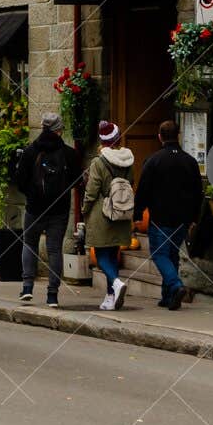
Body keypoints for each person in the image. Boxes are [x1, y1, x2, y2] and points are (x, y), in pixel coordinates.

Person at [134, 119, 203, 311]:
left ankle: (175, 285)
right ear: (178, 135)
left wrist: (138, 212)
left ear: (159, 137)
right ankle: (168, 297)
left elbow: (143, 189)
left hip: (160, 217)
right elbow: (198, 192)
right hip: (183, 218)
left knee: (159, 253)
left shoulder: (153, 160)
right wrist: (195, 217)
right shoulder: (190, 161)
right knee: (172, 255)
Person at [13, 113, 80, 308]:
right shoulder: (69, 153)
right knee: (54, 250)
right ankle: (52, 295)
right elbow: (77, 181)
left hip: (34, 208)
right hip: (59, 210)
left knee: (30, 244)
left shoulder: (30, 151)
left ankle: (27, 287)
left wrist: (33, 194)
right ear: (59, 130)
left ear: (43, 127)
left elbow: (20, 181)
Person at [82, 119, 136, 311]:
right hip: (121, 212)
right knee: (113, 254)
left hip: (102, 212)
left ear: (102, 140)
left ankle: (116, 282)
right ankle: (110, 297)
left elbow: (92, 190)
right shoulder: (129, 160)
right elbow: (131, 182)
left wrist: (85, 209)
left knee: (101, 255)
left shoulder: (98, 162)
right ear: (118, 138)